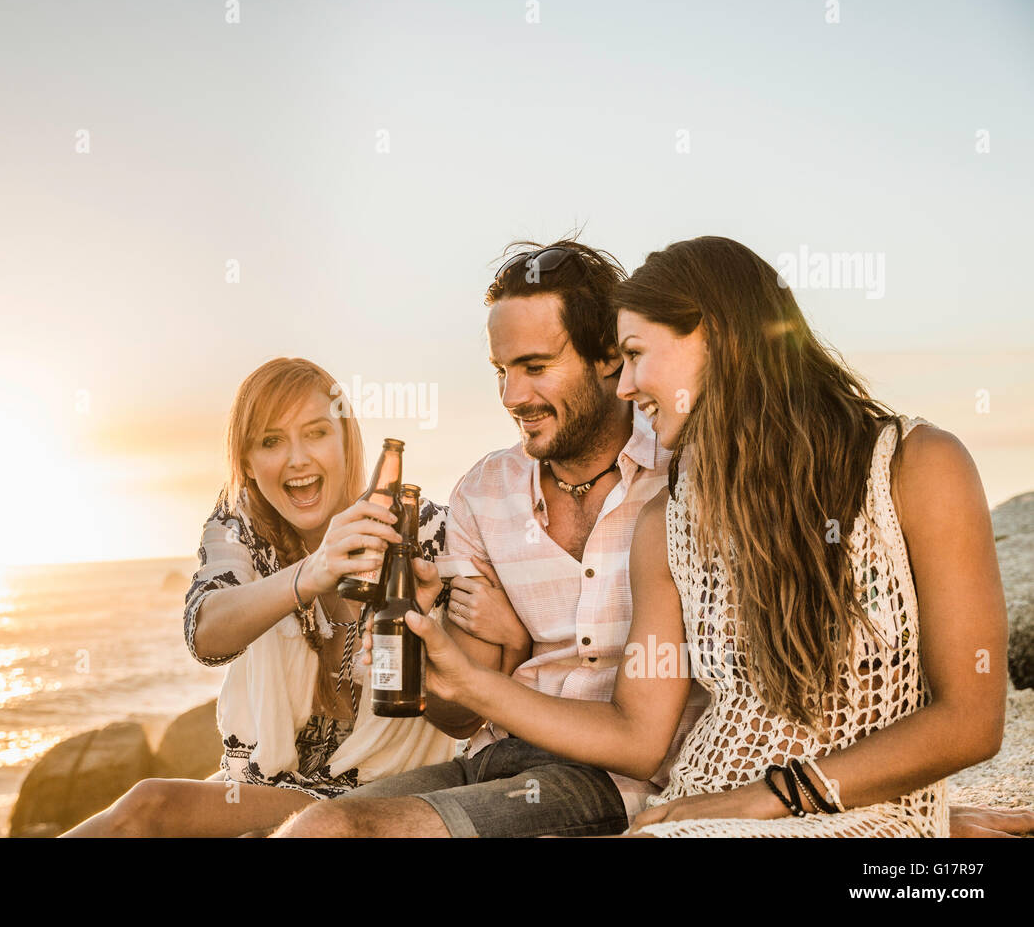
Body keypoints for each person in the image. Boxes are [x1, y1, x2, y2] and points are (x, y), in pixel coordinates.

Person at [275, 237, 1030, 839]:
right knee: (315, 828)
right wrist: (448, 654)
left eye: (636, 356)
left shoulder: (911, 465)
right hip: (643, 788)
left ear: (717, 338)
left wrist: (801, 801)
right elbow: (575, 722)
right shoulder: (668, 512)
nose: (629, 388)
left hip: (670, 799)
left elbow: (968, 717)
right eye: (501, 370)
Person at [275, 240, 709, 838]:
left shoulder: (680, 470)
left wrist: (479, 675)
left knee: (337, 835)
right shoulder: (484, 493)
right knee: (312, 824)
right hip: (492, 762)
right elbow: (458, 719)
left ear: (609, 355)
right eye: (502, 372)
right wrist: (433, 656)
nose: (512, 397)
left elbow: (643, 736)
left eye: (535, 367)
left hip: (615, 781)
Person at [62, 357, 457, 836]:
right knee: (146, 805)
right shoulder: (240, 524)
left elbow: (474, 707)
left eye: (316, 433)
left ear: (347, 439)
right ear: (247, 462)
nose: (297, 459)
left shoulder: (422, 530)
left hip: (382, 795)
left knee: (153, 805)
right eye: (271, 441)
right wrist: (311, 573)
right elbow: (205, 633)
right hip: (265, 785)